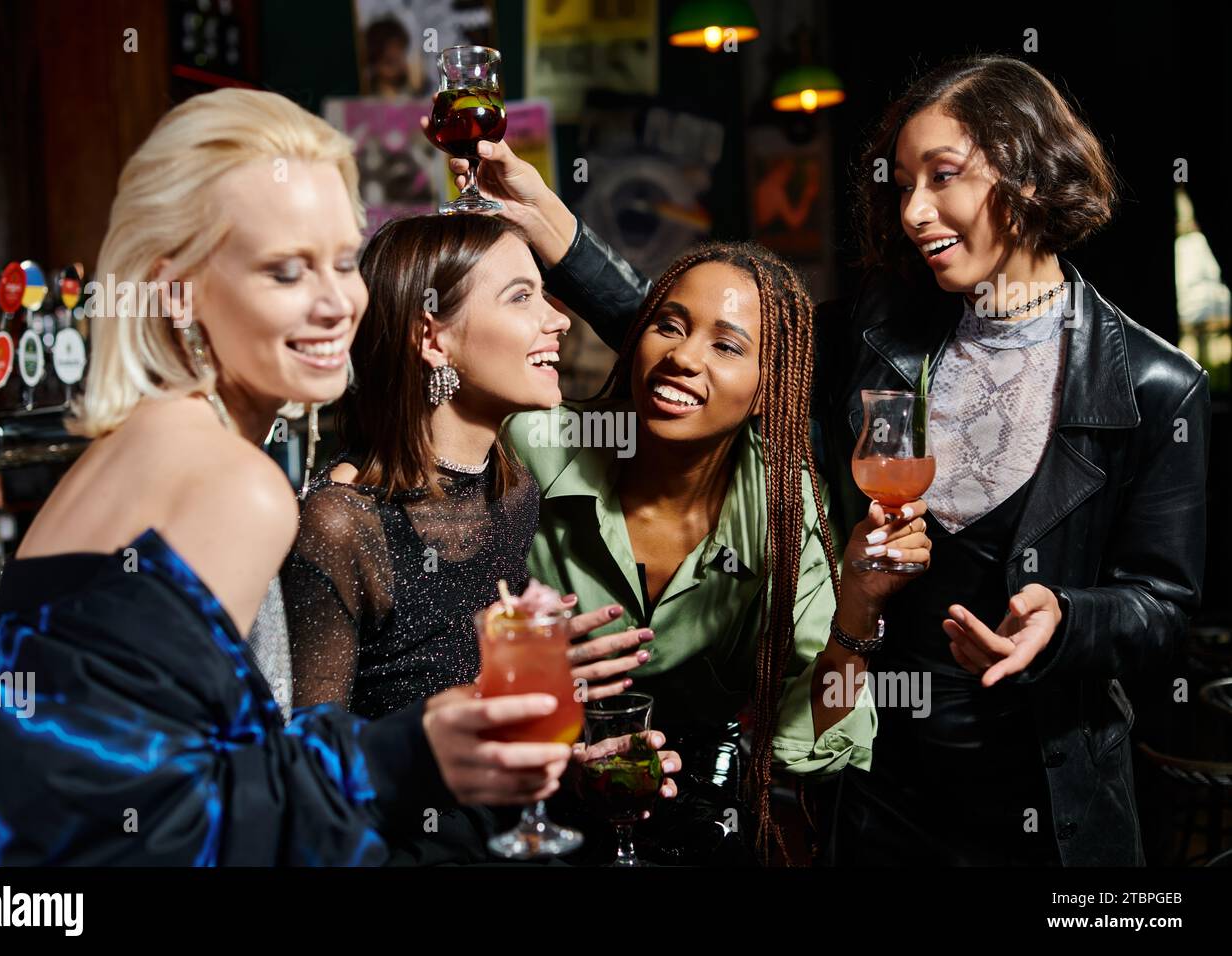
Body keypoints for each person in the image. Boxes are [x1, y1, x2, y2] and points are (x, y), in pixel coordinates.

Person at [462, 54, 1211, 866]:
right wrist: (552, 227)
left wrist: (1069, 618)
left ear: (1029, 174)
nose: (916, 211)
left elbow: (1165, 605)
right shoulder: (879, 329)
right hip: (880, 784)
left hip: (1052, 794)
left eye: (944, 176)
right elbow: (708, 359)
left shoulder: (1155, 383)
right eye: (903, 186)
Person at [0, 88, 575, 866]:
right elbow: (162, 834)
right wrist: (404, 757)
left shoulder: (137, 444)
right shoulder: (236, 485)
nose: (339, 302)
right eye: (284, 272)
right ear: (179, 292)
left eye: (343, 260)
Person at [430, 129, 933, 866]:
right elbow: (417, 596)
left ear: (771, 389)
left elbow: (819, 736)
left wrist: (859, 606)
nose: (684, 356)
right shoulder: (535, 445)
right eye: (668, 324)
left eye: (728, 346)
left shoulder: (783, 502)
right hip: (524, 806)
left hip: (692, 816)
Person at [281, 212, 681, 865]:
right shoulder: (339, 524)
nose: (561, 320)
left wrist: (574, 764)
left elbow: (490, 715)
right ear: (432, 338)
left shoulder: (511, 490)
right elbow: (307, 780)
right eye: (522, 297)